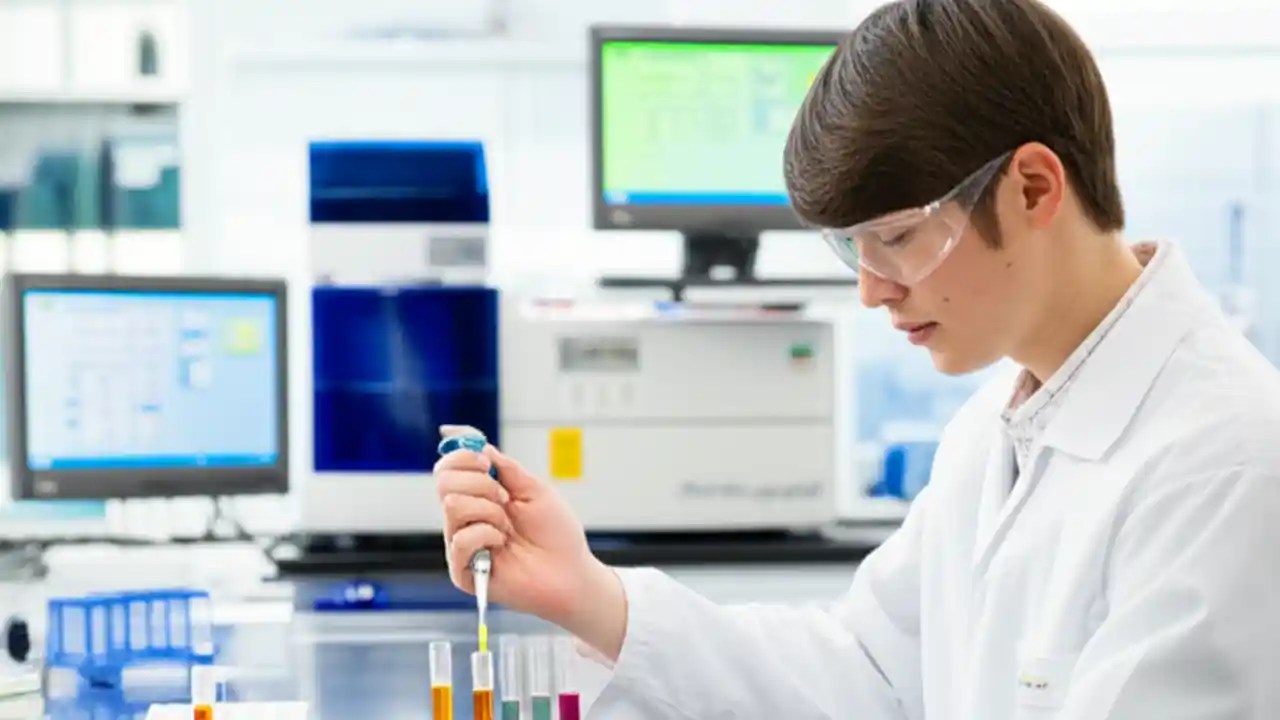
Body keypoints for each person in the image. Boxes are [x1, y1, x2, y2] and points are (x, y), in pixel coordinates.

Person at [433, 0, 1280, 716]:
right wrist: (585, 593)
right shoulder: (998, 427)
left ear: (1032, 188)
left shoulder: (1227, 463)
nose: (874, 291)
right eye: (853, 250)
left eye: (899, 239)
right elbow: (867, 671)